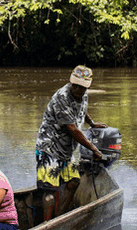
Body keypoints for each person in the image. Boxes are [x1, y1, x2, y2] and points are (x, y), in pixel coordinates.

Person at [36, 65, 107, 221]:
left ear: (87, 86)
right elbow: (73, 129)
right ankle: (47, 226)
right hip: (50, 147)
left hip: (66, 149)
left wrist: (92, 123)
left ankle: (60, 217)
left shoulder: (83, 93)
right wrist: (94, 149)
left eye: (81, 87)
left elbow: (82, 109)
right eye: (75, 85)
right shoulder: (62, 97)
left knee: (74, 182)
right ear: (71, 81)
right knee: (50, 190)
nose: (77, 89)